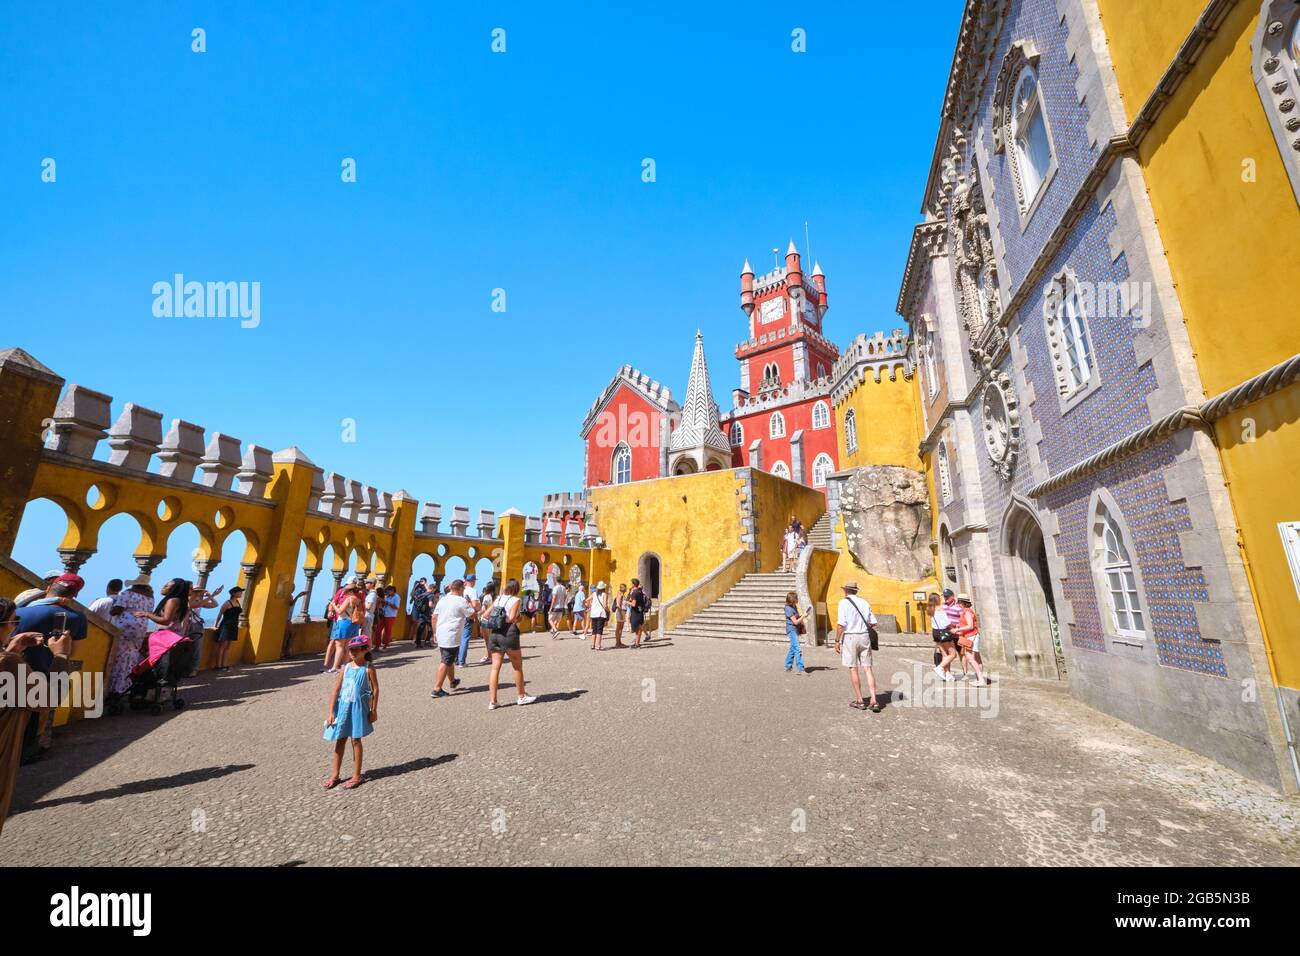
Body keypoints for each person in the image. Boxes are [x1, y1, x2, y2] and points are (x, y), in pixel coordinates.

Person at [15, 574, 88, 760]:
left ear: (48, 588)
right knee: (37, 719)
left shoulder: (20, 612)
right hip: (47, 675)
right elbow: (72, 652)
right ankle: (28, 753)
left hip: (14, 671)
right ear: (75, 594)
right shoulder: (77, 618)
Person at [0, 599, 43, 834]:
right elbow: (45, 700)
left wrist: (12, 649)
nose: (15, 626)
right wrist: (61, 656)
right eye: (14, 621)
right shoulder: (10, 662)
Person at [323, 635, 378, 790]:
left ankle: (356, 775)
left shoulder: (368, 668)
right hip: (343, 708)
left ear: (365, 650)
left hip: (358, 709)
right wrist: (331, 712)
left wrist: (374, 710)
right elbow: (335, 691)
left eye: (356, 649)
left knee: (355, 740)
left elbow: (375, 689)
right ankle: (335, 774)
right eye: (351, 649)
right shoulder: (345, 668)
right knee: (340, 740)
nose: (353, 652)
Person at [482, 578, 535, 710]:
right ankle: (521, 696)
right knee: (517, 667)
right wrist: (519, 617)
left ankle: (493, 701)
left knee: (495, 668)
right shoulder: (515, 600)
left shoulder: (498, 599)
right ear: (516, 589)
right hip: (508, 634)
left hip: (494, 634)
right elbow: (511, 618)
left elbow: (485, 615)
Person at [835, 581, 881, 712]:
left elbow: (841, 624)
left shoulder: (843, 603)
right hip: (864, 636)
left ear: (845, 591)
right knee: (868, 669)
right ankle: (874, 700)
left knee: (853, 669)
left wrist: (837, 640)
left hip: (850, 637)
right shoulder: (864, 602)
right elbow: (873, 622)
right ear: (856, 591)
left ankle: (860, 700)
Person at [430, 579, 475, 698]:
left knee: (449, 658)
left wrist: (434, 633)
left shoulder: (443, 599)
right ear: (460, 589)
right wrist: (470, 603)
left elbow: (434, 617)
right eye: (463, 588)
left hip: (441, 632)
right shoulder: (461, 601)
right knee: (446, 661)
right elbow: (472, 615)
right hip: (452, 634)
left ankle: (452, 681)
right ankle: (436, 689)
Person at [324, 581, 363, 673]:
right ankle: (345, 666)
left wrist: (334, 605)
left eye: (346, 590)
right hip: (354, 624)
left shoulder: (349, 599)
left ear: (351, 591)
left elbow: (340, 611)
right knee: (348, 646)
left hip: (344, 623)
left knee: (339, 646)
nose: (344, 592)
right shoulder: (358, 600)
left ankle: (335, 667)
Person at [953, 593, 988, 686]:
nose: (958, 604)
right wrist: (959, 627)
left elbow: (970, 626)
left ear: (962, 602)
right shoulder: (967, 611)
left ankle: (981, 680)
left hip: (971, 636)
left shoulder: (967, 612)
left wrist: (957, 629)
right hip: (972, 636)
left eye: (958, 602)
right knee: (977, 658)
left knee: (970, 658)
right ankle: (979, 679)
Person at [212, 587, 243, 671]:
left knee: (228, 646)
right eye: (239, 592)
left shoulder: (237, 602)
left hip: (234, 626)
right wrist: (215, 625)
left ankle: (224, 665)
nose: (241, 593)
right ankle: (219, 666)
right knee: (223, 646)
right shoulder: (227, 603)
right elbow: (220, 614)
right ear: (234, 593)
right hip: (226, 626)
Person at [933, 589, 961, 683]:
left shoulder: (932, 609)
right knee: (953, 654)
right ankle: (940, 667)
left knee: (945, 654)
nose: (945, 598)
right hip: (945, 632)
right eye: (944, 596)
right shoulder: (941, 608)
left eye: (946, 596)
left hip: (937, 632)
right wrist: (954, 627)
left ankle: (948, 675)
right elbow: (946, 622)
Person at [783, 590, 811, 674]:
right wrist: (803, 616)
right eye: (796, 598)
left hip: (795, 629)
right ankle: (800, 669)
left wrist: (804, 615)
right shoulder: (788, 608)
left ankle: (788, 665)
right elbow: (795, 622)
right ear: (792, 599)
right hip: (791, 630)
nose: (797, 599)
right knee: (797, 648)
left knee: (793, 648)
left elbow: (797, 618)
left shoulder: (794, 606)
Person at [459, 573, 482, 666]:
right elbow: (475, 605)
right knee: (465, 638)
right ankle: (461, 661)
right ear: (473, 581)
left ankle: (456, 660)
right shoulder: (473, 591)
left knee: (458, 638)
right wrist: (478, 608)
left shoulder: (461, 590)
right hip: (468, 616)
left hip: (459, 616)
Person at [627, 577, 650, 648]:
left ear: (633, 584)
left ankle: (637, 644)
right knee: (639, 628)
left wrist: (627, 602)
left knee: (637, 628)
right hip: (640, 612)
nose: (630, 584)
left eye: (631, 583)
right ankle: (637, 643)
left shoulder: (634, 592)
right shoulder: (640, 592)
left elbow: (633, 604)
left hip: (635, 612)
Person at [375, 585, 398, 650]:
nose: (386, 593)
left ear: (392, 591)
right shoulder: (387, 596)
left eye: (388, 591)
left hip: (391, 616)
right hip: (384, 615)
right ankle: (377, 645)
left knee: (387, 631)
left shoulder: (396, 597)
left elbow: (396, 607)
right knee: (378, 630)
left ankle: (386, 646)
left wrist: (387, 602)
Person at [588, 582, 610, 650]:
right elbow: (605, 605)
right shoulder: (604, 594)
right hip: (601, 614)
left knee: (594, 630)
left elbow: (586, 600)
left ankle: (593, 645)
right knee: (599, 630)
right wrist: (608, 610)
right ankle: (598, 645)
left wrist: (589, 606)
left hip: (593, 614)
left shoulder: (594, 594)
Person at [612, 583, 629, 648]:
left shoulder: (622, 594)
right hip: (620, 612)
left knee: (621, 628)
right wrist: (621, 614)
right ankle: (618, 642)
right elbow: (618, 605)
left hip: (622, 611)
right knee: (619, 628)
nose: (626, 589)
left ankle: (619, 642)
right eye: (625, 587)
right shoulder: (620, 594)